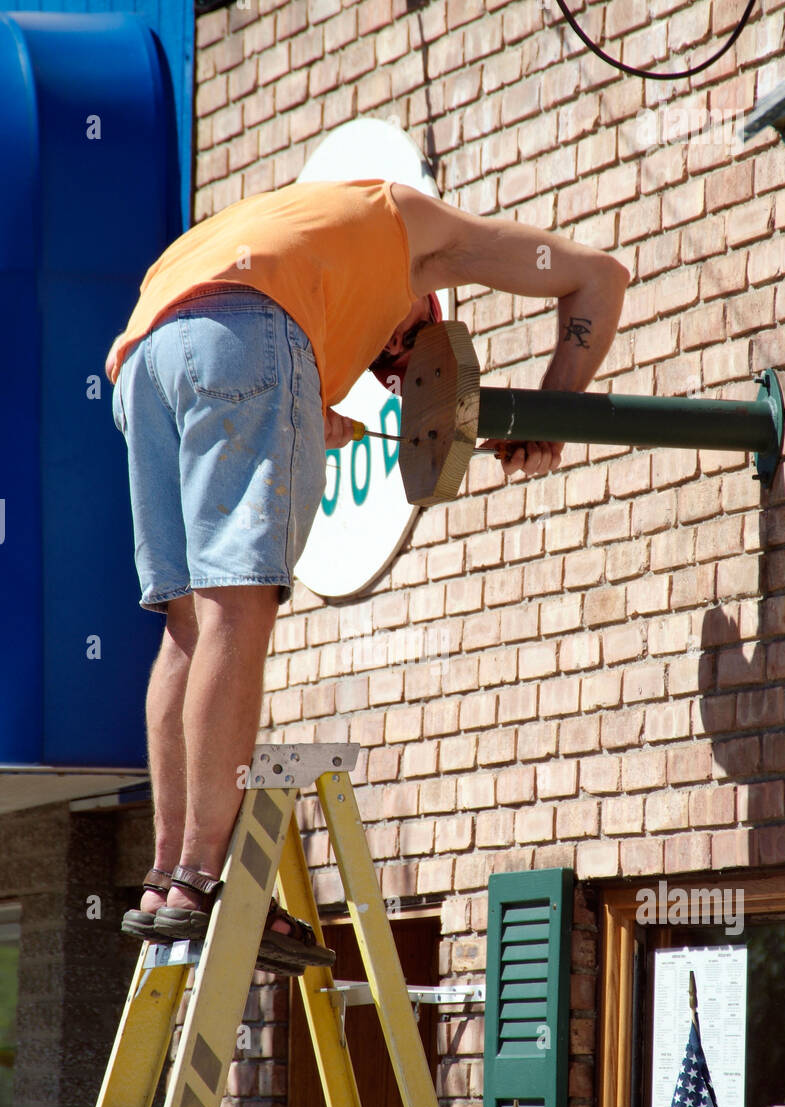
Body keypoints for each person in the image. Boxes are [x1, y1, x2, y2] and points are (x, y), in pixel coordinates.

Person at [107, 179, 628, 969]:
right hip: (245, 325)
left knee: (185, 623)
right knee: (237, 607)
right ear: (426, 308)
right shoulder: (410, 224)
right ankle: (207, 878)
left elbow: (257, 371)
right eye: (406, 361)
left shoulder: (309, 239)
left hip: (147, 352)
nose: (399, 373)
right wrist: (558, 405)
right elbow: (600, 275)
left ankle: (170, 877)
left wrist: (310, 414)